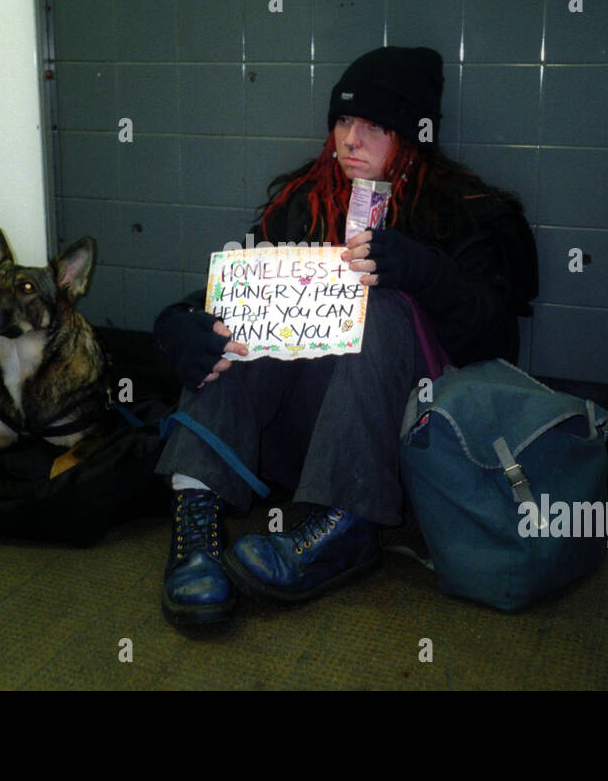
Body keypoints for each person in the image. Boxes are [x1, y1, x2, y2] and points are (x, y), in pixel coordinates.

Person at [151, 46, 538, 626]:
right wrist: (181, 324)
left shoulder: (466, 212)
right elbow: (243, 283)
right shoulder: (304, 201)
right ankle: (196, 517)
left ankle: (345, 528)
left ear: (411, 136)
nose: (350, 139)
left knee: (378, 304)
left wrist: (427, 273)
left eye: (374, 125)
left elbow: (495, 346)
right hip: (302, 434)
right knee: (247, 311)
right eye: (343, 121)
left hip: (403, 442)